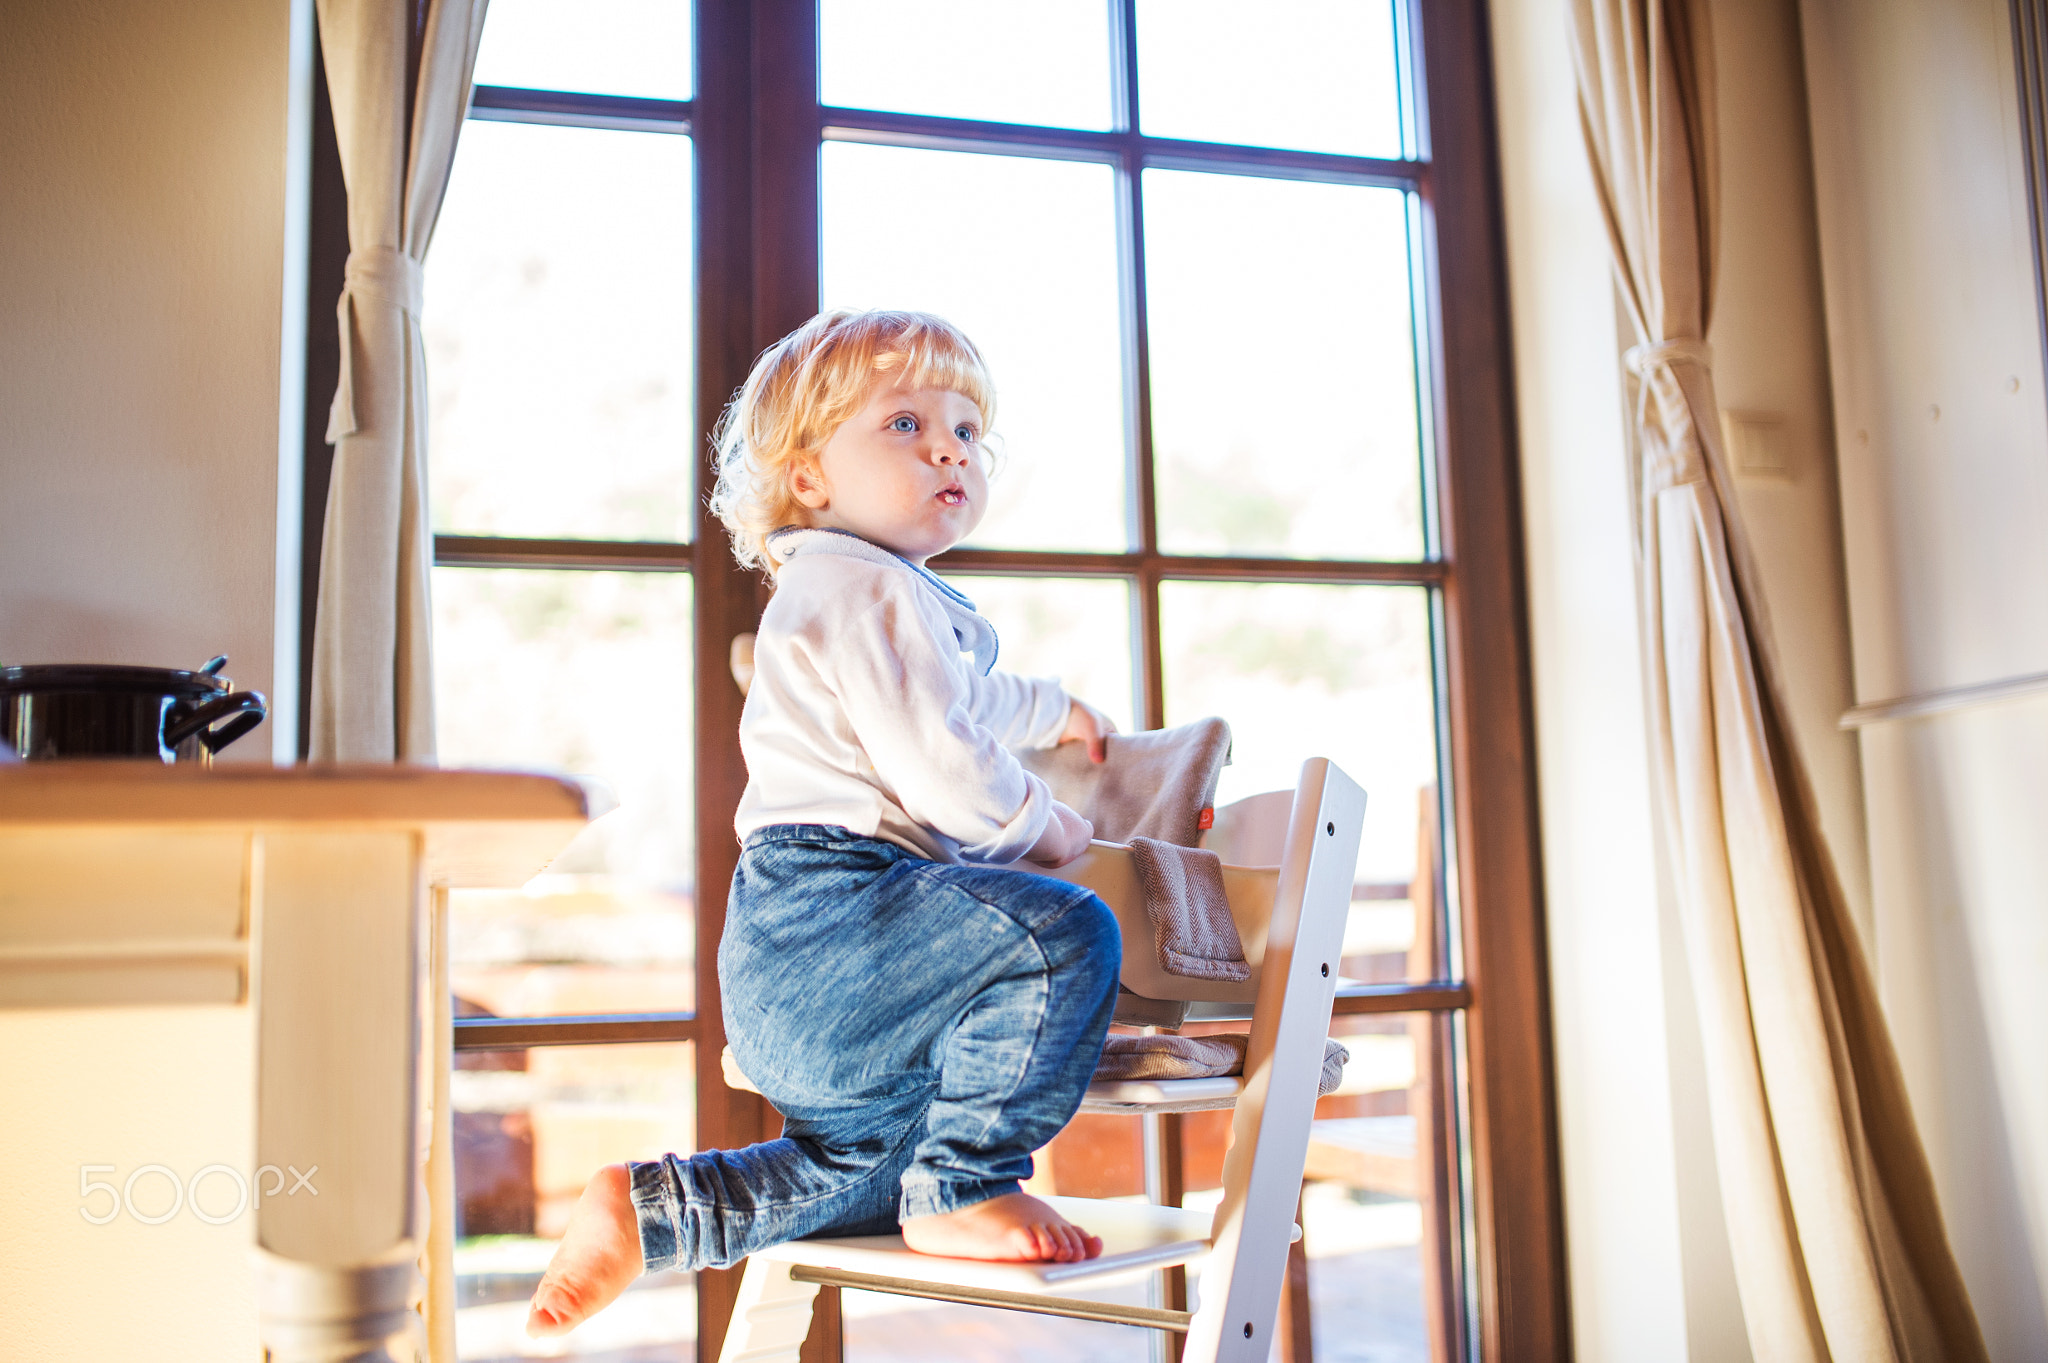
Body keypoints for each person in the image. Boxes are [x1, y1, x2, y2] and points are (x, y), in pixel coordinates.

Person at [526, 309, 1123, 1338]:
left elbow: (959, 702)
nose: (947, 445)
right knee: (1061, 929)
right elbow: (948, 769)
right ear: (808, 479)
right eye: (903, 424)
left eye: (965, 429)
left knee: (874, 1168)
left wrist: (1050, 710)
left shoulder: (873, 595)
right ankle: (971, 1182)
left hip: (800, 961)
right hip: (842, 917)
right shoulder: (860, 589)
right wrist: (1044, 821)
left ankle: (653, 1212)